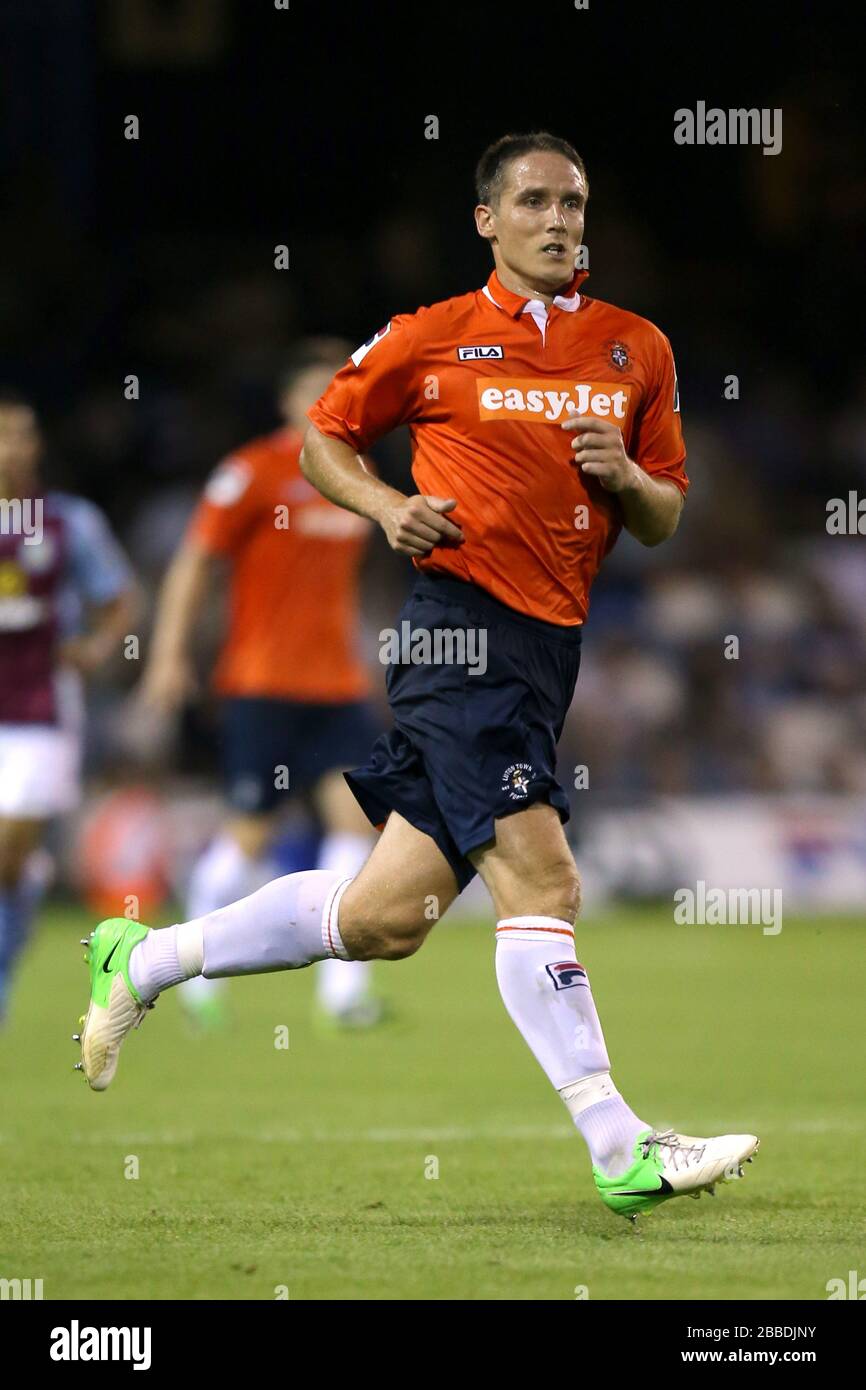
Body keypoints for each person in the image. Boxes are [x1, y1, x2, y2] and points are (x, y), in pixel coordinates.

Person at [75, 132, 758, 1221]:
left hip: (547, 647)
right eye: (532, 200)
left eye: (572, 202)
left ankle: (143, 956)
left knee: (383, 917)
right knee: (543, 883)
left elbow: (665, 514)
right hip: (459, 634)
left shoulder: (636, 349)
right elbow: (322, 438)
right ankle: (619, 1144)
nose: (556, 220)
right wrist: (388, 507)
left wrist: (624, 474)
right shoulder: (432, 337)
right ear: (486, 219)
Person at [139, 342, 384, 1028]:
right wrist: (167, 655)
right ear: (286, 403)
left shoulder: (359, 476)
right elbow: (194, 561)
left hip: (337, 685)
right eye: (314, 391)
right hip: (262, 683)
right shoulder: (251, 471)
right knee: (249, 832)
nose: (328, 403)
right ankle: (189, 981)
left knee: (354, 824)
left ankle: (344, 995)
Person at [0, 391, 136, 1018]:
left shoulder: (66, 522)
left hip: (38, 706)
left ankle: (23, 882)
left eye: (23, 434)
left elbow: (120, 599)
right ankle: (27, 881)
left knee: (8, 853)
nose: (14, 447)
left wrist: (99, 646)